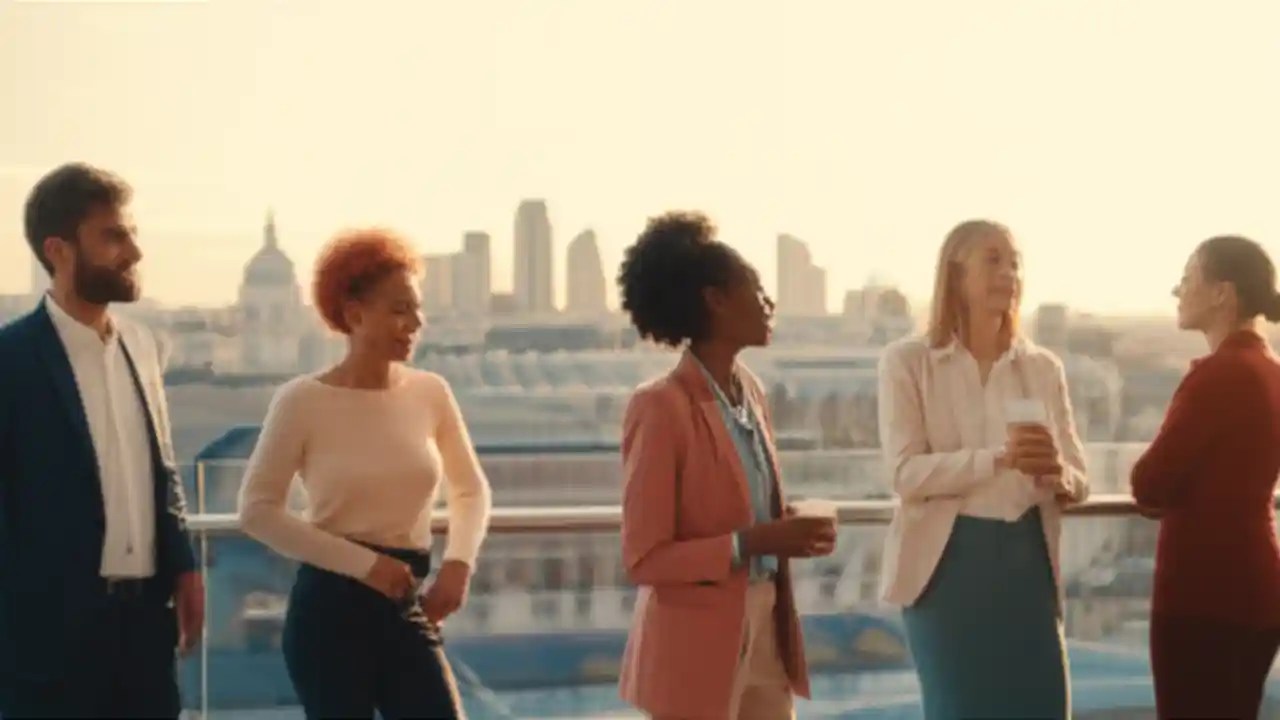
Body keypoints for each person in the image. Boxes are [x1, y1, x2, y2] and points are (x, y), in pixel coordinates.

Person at [237, 228, 491, 720]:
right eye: (399, 310)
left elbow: (470, 490)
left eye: (417, 309)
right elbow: (257, 511)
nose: (415, 323)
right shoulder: (301, 400)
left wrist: (459, 565)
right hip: (330, 610)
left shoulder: (431, 392)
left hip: (405, 602)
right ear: (354, 315)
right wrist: (367, 566)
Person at [0, 162, 204, 718]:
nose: (133, 252)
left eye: (132, 233)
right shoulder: (11, 360)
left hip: (143, 632)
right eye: (114, 236)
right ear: (58, 250)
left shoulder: (143, 347)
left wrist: (185, 567)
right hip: (46, 644)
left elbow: (161, 472)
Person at [615, 211, 836, 720]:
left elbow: (739, 502)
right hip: (695, 647)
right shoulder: (660, 406)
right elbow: (645, 558)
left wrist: (789, 529)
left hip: (766, 629)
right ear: (715, 299)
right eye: (756, 289)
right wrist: (757, 542)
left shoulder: (751, 393)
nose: (769, 303)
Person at [877, 219, 1089, 719]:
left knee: (1042, 710)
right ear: (955, 272)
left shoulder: (1042, 368)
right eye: (993, 260)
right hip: (945, 571)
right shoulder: (907, 362)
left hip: (1027, 567)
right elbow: (905, 474)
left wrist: (1057, 474)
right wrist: (999, 458)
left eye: (1015, 263)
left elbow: (1080, 478)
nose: (1009, 273)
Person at [1130, 235, 1280, 718]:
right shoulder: (1269, 370)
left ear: (1222, 293)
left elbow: (1148, 484)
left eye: (1188, 278)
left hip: (1205, 594)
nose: (1177, 291)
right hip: (1255, 589)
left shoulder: (1220, 375)